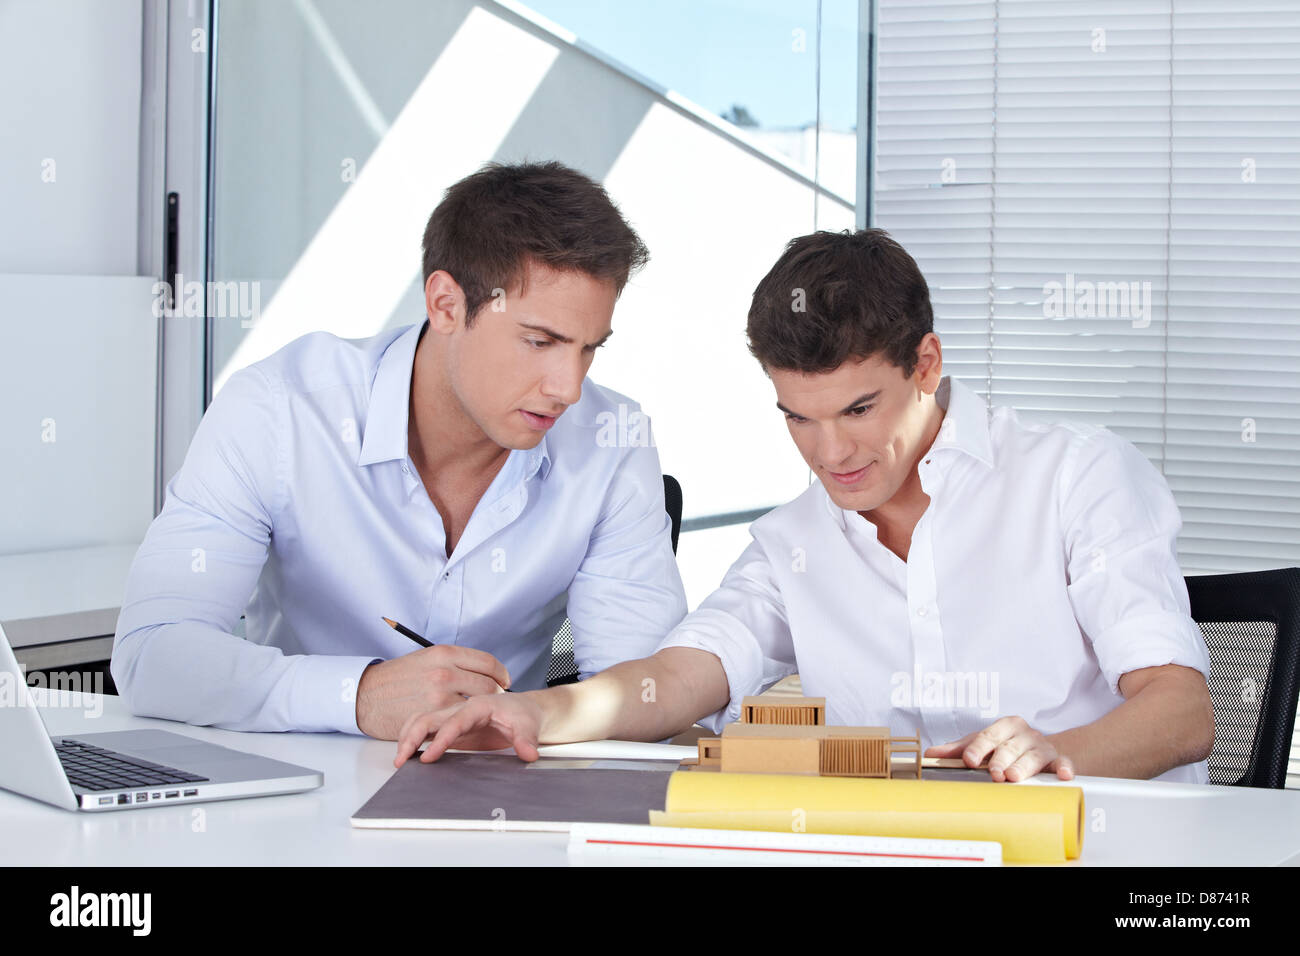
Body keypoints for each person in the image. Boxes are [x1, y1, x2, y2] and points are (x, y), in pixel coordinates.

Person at [395, 228, 1216, 784]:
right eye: (798, 417)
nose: (830, 455)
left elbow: (1181, 715)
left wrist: (1052, 757)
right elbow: (675, 679)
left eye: (859, 410)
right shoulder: (793, 540)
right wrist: (525, 710)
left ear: (926, 364)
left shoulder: (1076, 478)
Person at [112, 161, 687, 740]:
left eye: (590, 349)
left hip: (505, 786)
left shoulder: (613, 439)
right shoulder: (278, 412)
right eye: (539, 342)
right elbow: (152, 656)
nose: (568, 386)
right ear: (446, 305)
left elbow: (639, 691)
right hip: (303, 777)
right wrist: (358, 695)